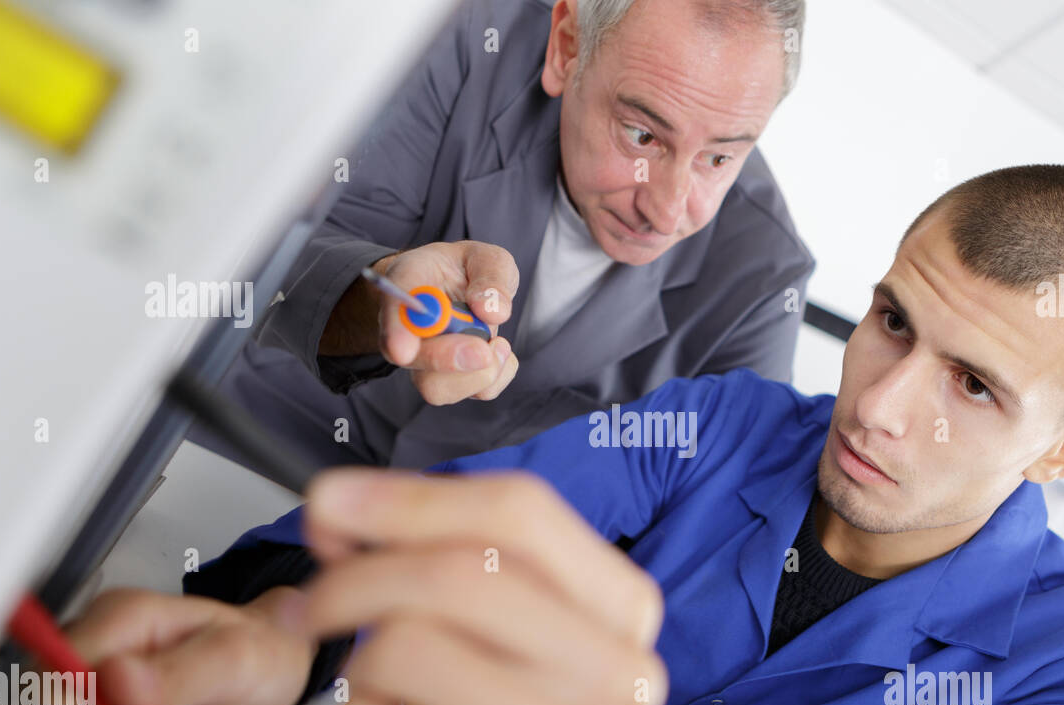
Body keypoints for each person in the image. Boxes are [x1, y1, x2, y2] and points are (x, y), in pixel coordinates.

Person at [15, 164, 1064, 705]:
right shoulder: (726, 423)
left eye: (973, 386)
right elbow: (460, 519)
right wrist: (278, 628)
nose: (876, 406)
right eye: (889, 322)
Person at [195, 0, 814, 472]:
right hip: (246, 452)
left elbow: (709, 517)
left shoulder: (765, 278)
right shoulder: (462, 41)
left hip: (461, 586)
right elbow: (268, 260)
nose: (668, 208)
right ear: (567, 47)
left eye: (719, 159)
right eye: (642, 136)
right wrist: (380, 295)